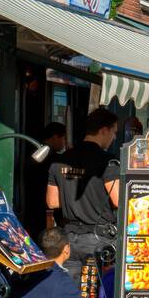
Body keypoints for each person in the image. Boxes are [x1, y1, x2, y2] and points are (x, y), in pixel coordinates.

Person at [47, 107, 120, 287]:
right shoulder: (107, 162)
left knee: (72, 291)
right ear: (104, 130)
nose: (114, 138)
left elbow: (52, 201)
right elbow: (119, 200)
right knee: (98, 293)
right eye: (114, 132)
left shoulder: (59, 161)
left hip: (69, 238)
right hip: (99, 239)